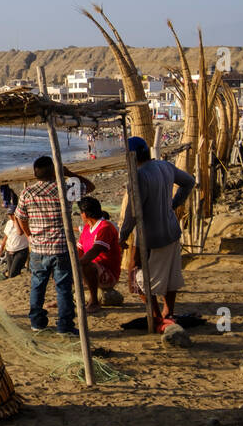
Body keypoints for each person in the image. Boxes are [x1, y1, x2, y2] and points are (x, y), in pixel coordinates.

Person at [118, 136, 194, 329]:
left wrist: (123, 235)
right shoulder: (165, 166)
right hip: (171, 230)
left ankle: (155, 314)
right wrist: (174, 203)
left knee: (136, 277)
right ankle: (169, 310)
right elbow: (189, 182)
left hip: (151, 236)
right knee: (170, 275)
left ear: (131, 157)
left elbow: (132, 213)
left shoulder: (140, 176)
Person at [14, 156, 77, 335]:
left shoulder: (27, 192)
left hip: (38, 248)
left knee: (37, 285)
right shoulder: (66, 188)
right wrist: (68, 173)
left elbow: (21, 216)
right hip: (61, 247)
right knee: (63, 287)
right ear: (54, 171)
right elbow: (89, 186)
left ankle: (37, 322)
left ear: (35, 173)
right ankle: (64, 326)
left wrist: (29, 235)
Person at [76, 196, 121, 312]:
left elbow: (96, 250)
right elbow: (79, 250)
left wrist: (78, 264)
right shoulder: (87, 228)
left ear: (84, 214)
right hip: (94, 268)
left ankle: (94, 301)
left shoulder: (105, 227)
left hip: (107, 272)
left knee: (86, 265)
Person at [0, 207, 30, 278]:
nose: (10, 216)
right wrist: (2, 247)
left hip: (21, 250)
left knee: (13, 273)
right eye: (9, 214)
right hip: (10, 251)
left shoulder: (22, 222)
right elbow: (6, 236)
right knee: (11, 273)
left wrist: (16, 220)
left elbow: (20, 232)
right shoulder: (9, 223)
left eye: (12, 214)